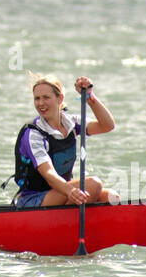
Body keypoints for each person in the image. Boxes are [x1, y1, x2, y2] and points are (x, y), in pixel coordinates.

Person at [11, 74, 116, 208]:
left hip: (60, 192)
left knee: (111, 197)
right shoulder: (33, 133)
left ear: (60, 98)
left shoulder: (71, 123)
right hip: (32, 200)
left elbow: (107, 125)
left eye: (46, 98)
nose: (40, 103)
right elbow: (49, 174)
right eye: (37, 98)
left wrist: (89, 97)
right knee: (93, 185)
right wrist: (70, 191)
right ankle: (65, 224)